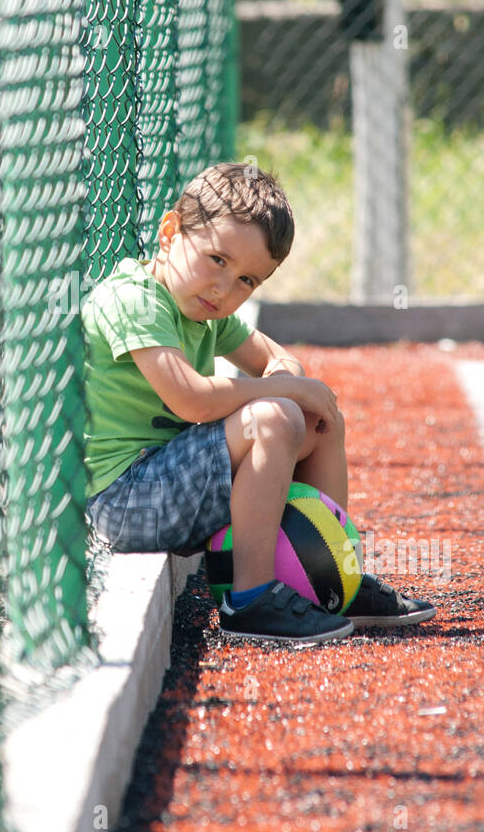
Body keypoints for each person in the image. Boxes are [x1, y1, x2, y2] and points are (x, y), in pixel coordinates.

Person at [83, 162, 436, 645]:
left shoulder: (207, 313)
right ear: (170, 232)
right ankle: (249, 601)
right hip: (129, 500)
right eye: (217, 260)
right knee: (275, 416)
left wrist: (293, 387)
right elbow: (190, 399)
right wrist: (285, 391)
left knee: (316, 419)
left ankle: (333, 573)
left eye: (247, 281)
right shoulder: (134, 299)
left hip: (175, 486)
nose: (224, 289)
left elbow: (276, 358)